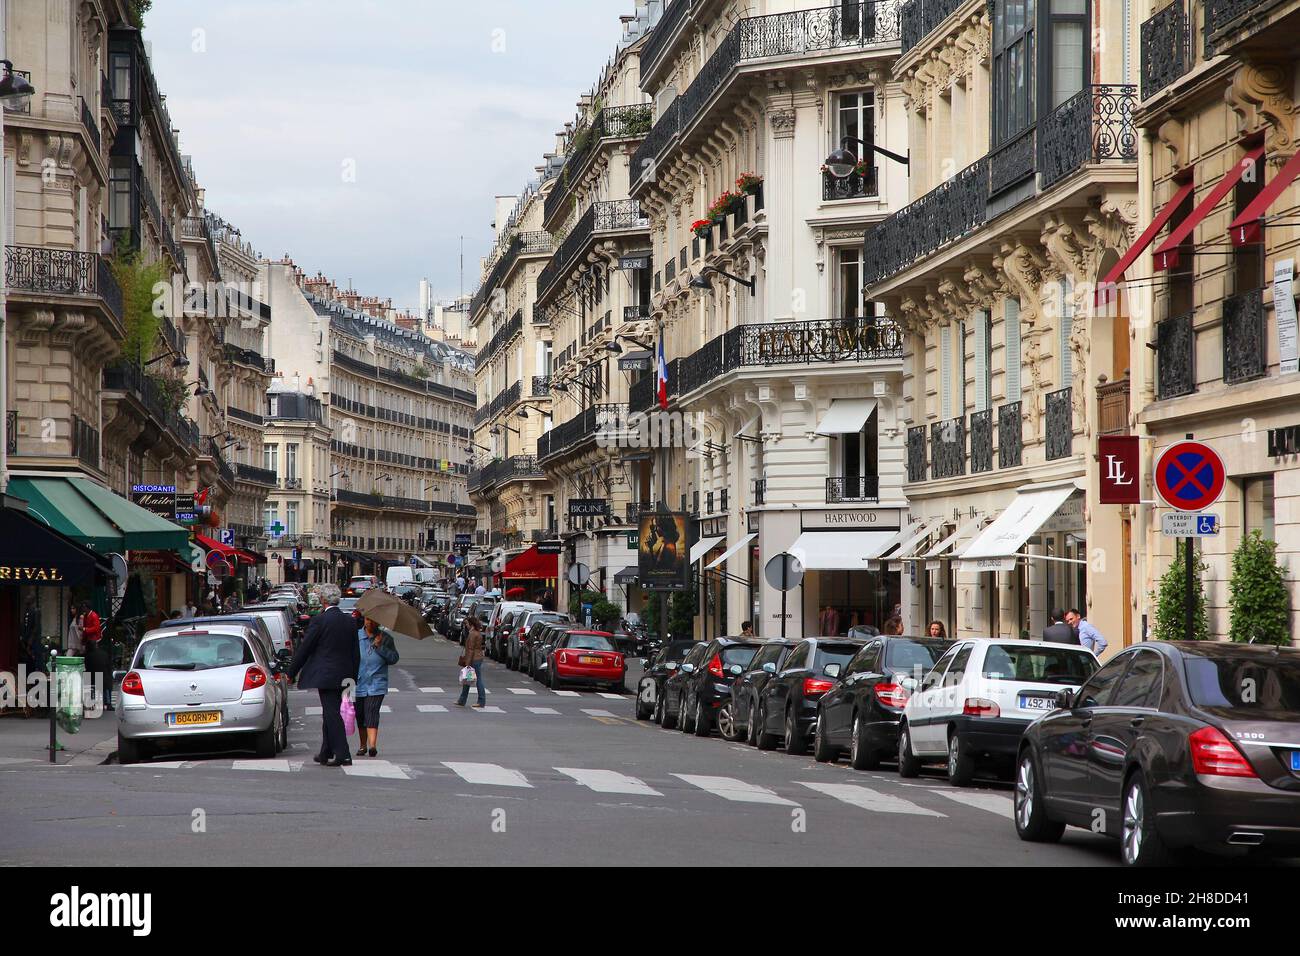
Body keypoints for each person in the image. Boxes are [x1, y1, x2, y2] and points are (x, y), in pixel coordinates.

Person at [287, 584, 361, 767]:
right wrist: (354, 676)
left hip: (327, 675)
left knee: (331, 713)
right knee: (332, 713)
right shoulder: (349, 622)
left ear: (323, 600)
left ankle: (343, 753)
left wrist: (291, 672)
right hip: (346, 674)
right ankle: (325, 752)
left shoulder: (320, 621)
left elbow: (306, 648)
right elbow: (355, 653)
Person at [354, 617, 399, 757]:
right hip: (357, 682)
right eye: (368, 620)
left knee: (371, 711)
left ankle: (372, 745)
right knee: (360, 715)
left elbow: (394, 658)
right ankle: (362, 746)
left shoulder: (386, 638)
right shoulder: (355, 637)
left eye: (374, 620)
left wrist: (380, 646)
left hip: (377, 682)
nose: (371, 623)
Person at [457, 618, 486, 709]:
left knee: (478, 680)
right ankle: (462, 700)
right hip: (477, 658)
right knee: (467, 680)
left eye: (467, 624)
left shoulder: (473, 634)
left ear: (471, 624)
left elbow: (470, 649)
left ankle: (481, 701)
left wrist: (467, 663)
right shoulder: (477, 633)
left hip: (474, 659)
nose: (466, 626)